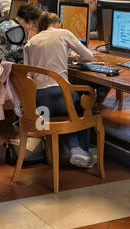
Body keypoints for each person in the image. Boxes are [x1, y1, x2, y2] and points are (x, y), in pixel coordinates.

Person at [23, 11, 98, 168]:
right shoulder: (63, 33)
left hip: (40, 104)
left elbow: (28, 77)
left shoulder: (31, 42)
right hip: (62, 97)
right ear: (57, 24)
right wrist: (75, 58)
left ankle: (73, 148)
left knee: (69, 109)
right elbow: (89, 56)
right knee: (82, 105)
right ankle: (79, 149)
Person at [0, 1, 42, 66]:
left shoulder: (6, 23)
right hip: (2, 70)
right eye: (34, 24)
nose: (33, 27)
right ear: (29, 19)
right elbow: (19, 58)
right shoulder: (18, 31)